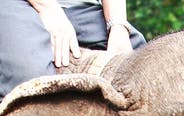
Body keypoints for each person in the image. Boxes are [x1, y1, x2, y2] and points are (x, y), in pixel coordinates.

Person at [0, 0, 146, 100]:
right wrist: (48, 8)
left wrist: (118, 26)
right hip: (15, 4)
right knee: (30, 80)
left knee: (143, 62)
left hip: (80, 7)